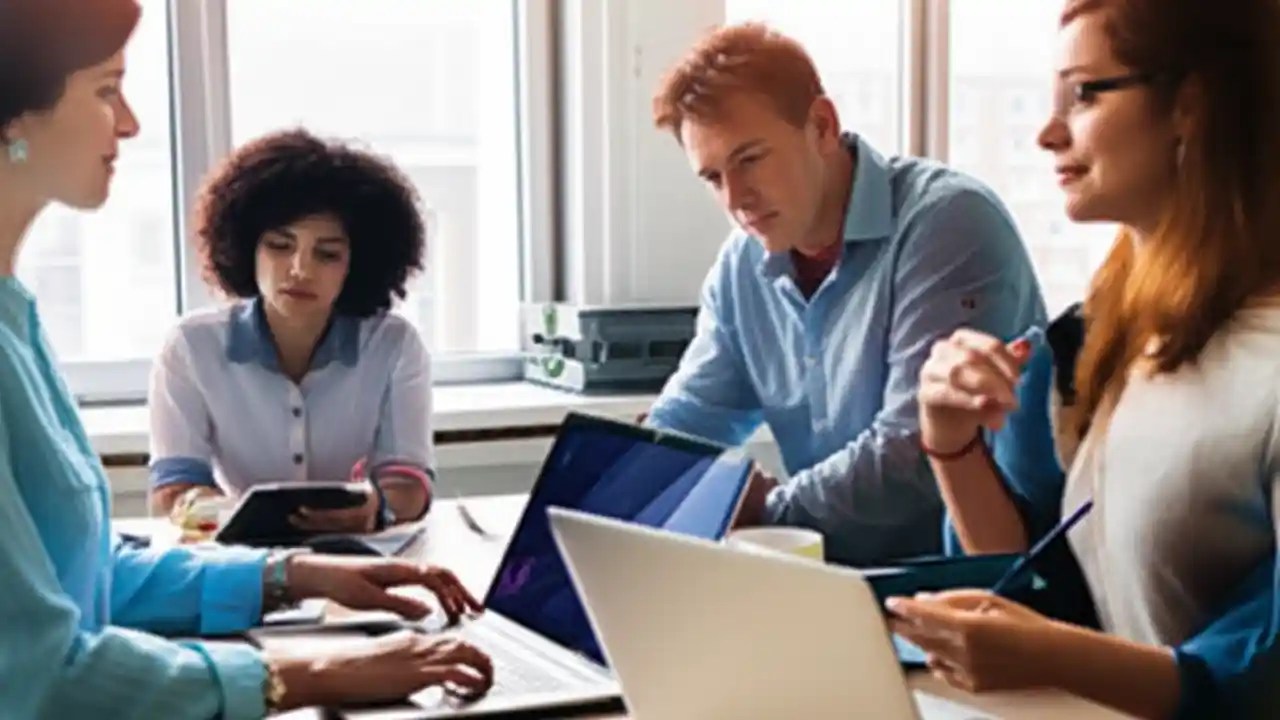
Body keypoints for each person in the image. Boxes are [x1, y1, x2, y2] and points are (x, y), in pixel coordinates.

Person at [0, 2, 492, 717]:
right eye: (107, 90)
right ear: (14, 109)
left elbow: (91, 577)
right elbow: (36, 674)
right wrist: (315, 674)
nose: (132, 122)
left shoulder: (19, 317)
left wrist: (295, 573)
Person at [890, 0, 1280, 717]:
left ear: (1193, 104)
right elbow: (1039, 583)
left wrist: (1048, 654)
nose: (1047, 132)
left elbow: (1259, 672)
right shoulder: (1090, 345)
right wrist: (952, 446)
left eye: (1084, 93)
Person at [644, 23, 1045, 565]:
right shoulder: (741, 267)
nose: (737, 199)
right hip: (824, 581)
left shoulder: (949, 223)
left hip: (963, 591)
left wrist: (763, 511)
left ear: (822, 126)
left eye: (750, 159)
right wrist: (629, 488)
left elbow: (911, 453)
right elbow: (690, 417)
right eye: (714, 177)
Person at [148, 129, 434, 534]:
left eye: (327, 254)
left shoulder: (394, 345)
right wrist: (229, 516)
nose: (300, 269)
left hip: (354, 553)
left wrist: (379, 506)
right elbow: (172, 488)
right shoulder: (192, 347)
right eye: (280, 246)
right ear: (247, 248)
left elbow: (409, 479)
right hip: (236, 560)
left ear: (358, 263)